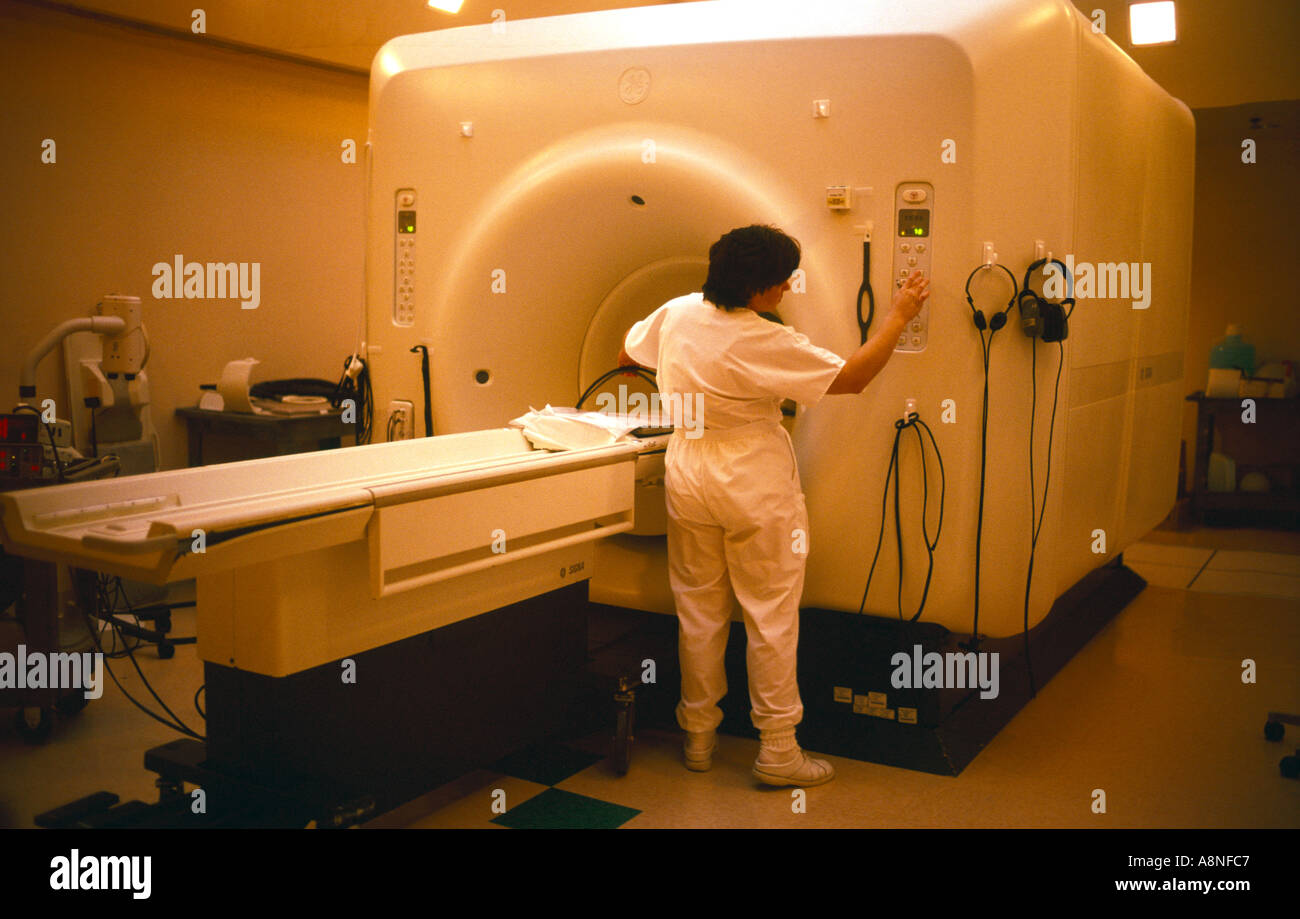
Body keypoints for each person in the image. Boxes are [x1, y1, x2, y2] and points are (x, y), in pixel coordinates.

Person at [620, 224, 930, 787]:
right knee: (769, 614)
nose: (788, 289)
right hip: (751, 479)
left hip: (687, 467)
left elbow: (628, 349)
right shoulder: (763, 339)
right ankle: (779, 751)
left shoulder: (679, 310)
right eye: (782, 282)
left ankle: (698, 737)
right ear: (759, 289)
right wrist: (898, 317)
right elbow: (853, 377)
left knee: (698, 610)